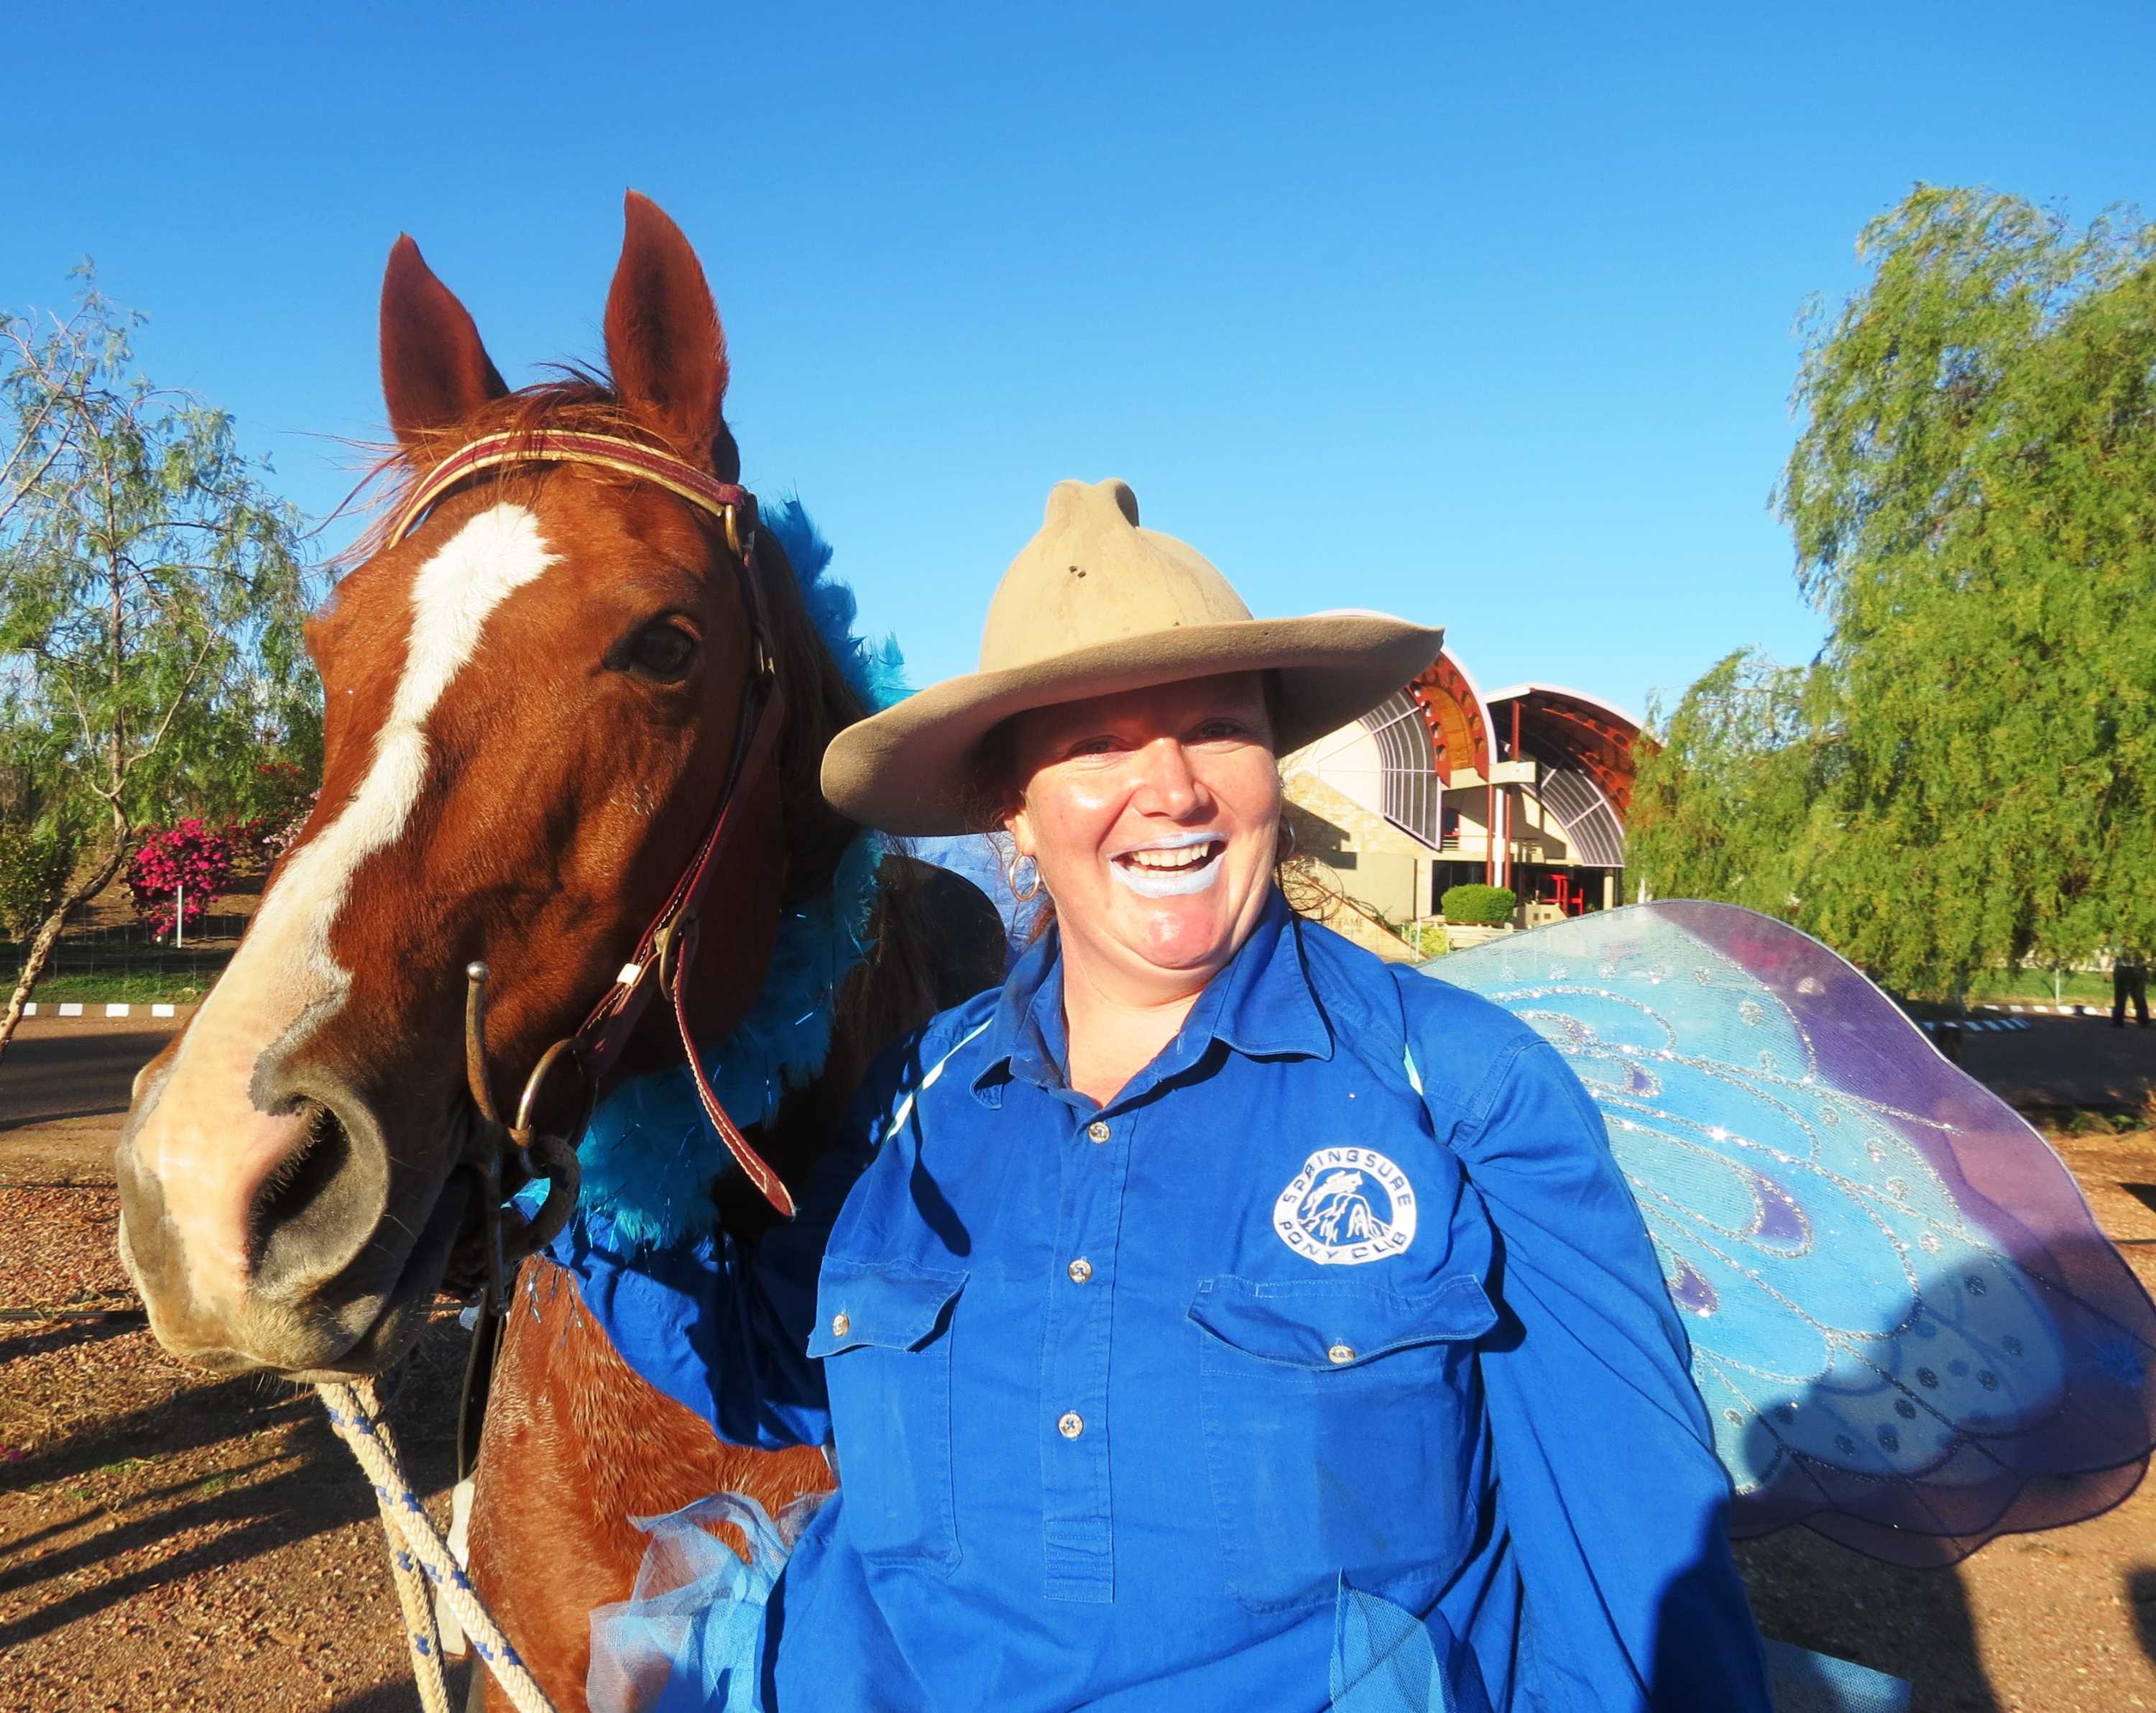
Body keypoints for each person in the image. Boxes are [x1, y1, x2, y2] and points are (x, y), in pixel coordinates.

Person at [608, 479, 1772, 1712]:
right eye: (1097, 743)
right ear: (1012, 808)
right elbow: (769, 1368)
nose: (1172, 786)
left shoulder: (1460, 1091)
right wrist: (599, 1163)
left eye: (1217, 727)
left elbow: (1640, 1580)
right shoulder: (918, 1098)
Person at [2114, 949, 2149, 1029]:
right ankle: (2119, 1020)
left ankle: (2143, 1020)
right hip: (2129, 968)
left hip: (2132, 968)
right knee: (2124, 996)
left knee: (2137, 996)